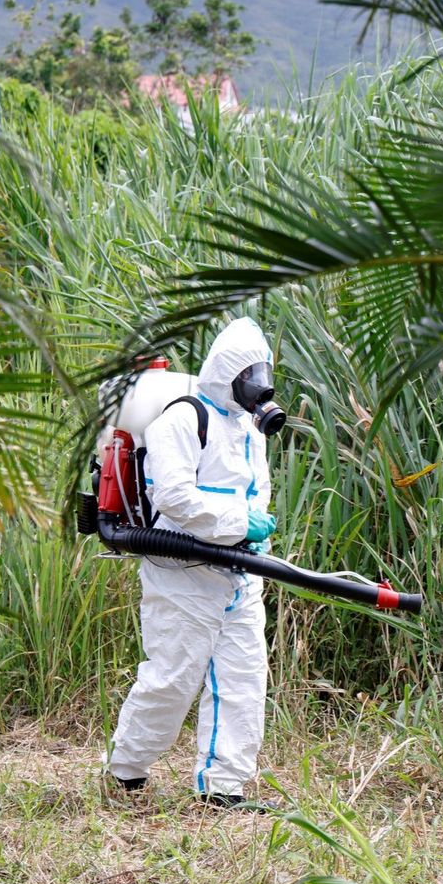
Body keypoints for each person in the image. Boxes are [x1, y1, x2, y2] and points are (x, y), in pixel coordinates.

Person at [104, 318, 282, 809]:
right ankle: (126, 770)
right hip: (182, 572)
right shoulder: (183, 418)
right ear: (226, 373)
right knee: (172, 678)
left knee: (244, 680)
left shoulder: (249, 428)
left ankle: (223, 788)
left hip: (239, 576)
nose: (258, 384)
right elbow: (175, 496)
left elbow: (255, 492)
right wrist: (238, 523)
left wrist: (256, 528)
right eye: (249, 374)